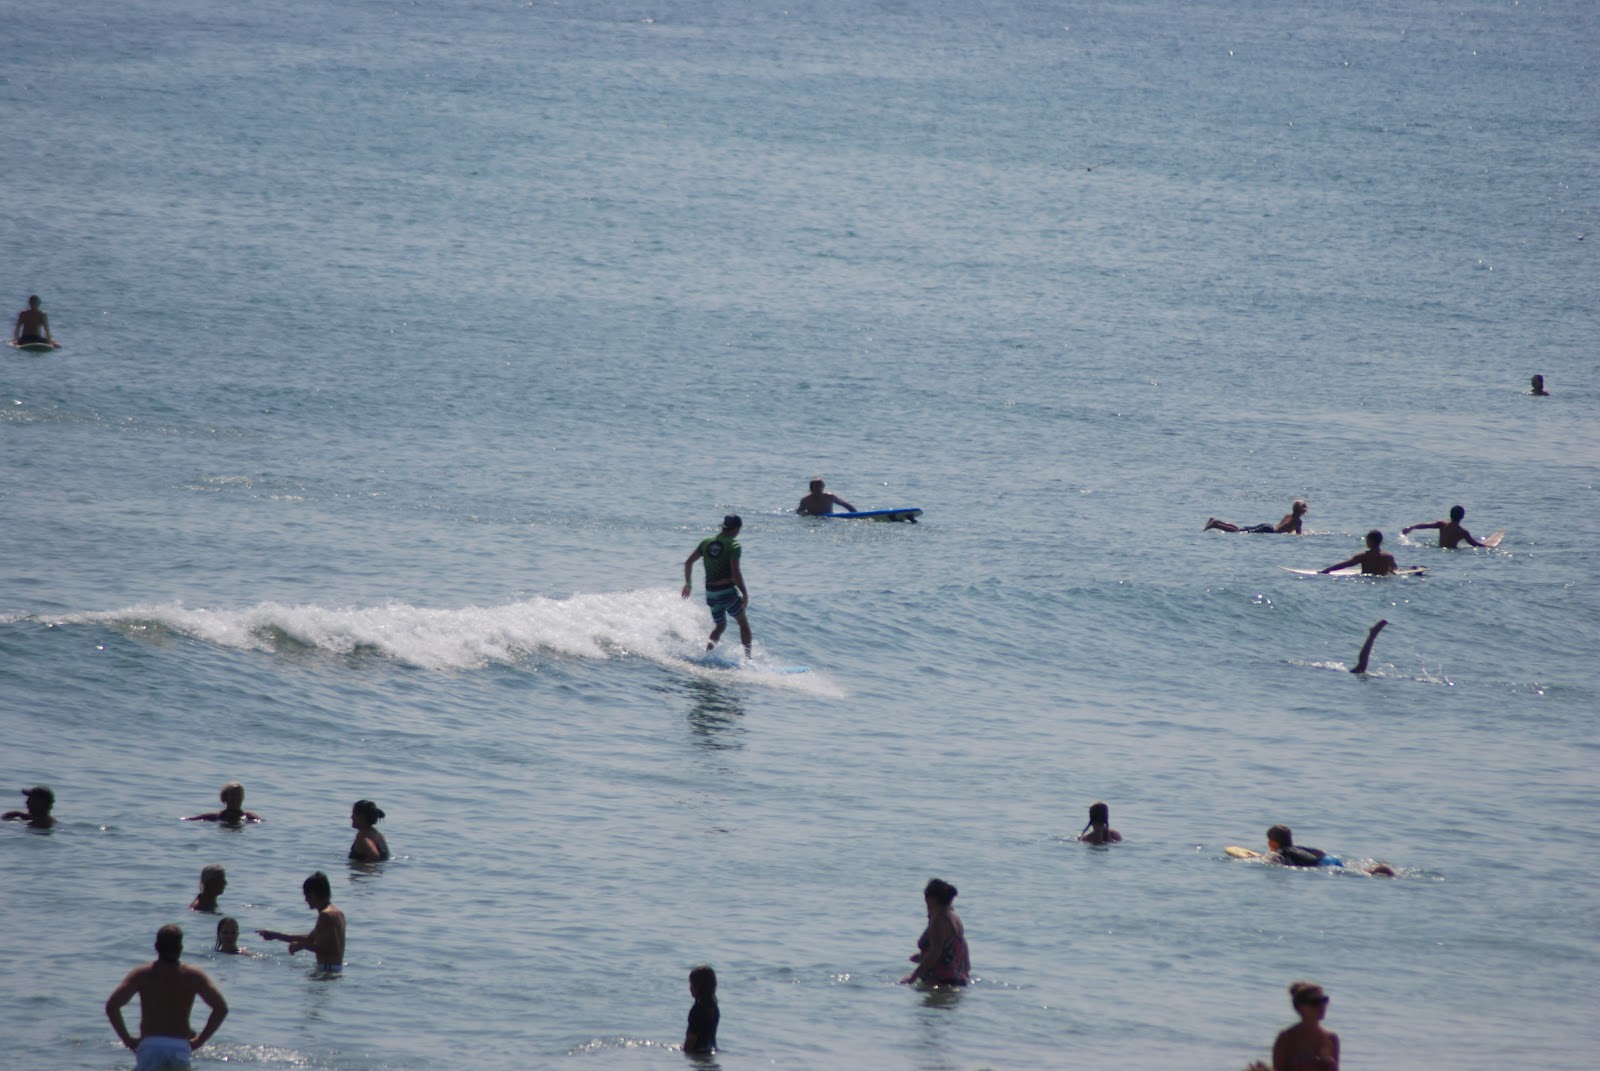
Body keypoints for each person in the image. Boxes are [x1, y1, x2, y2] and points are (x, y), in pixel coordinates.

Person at [105, 924, 229, 1069]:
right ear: (181, 947)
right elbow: (221, 1008)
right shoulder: (193, 976)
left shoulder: (142, 974)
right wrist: (199, 1041)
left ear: (156, 946)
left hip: (151, 1045)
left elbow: (112, 1006)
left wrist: (127, 1040)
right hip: (180, 1047)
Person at [682, 514, 752, 657]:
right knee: (743, 624)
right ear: (736, 529)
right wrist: (744, 593)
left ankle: (707, 655)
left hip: (711, 594)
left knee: (720, 626)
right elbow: (736, 572)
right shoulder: (734, 545)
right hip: (727, 592)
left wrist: (688, 584)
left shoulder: (706, 542)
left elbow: (688, 562)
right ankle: (748, 658)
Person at [256, 871, 346, 971]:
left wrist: (303, 946)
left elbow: (332, 950)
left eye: (306, 895)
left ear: (313, 894)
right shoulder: (337, 913)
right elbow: (309, 938)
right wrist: (275, 935)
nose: (305, 900)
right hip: (335, 969)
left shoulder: (325, 915)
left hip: (327, 970)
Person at [900, 877, 970, 986]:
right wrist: (922, 957)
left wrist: (912, 978)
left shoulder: (939, 920)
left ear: (933, 899)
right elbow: (956, 947)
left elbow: (935, 953)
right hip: (956, 979)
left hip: (941, 981)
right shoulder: (953, 916)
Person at [1271, 981, 1340, 1071]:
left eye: (1324, 1000)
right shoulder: (1286, 1038)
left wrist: (1324, 1060)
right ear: (1301, 1007)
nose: (1322, 1006)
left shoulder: (1331, 1038)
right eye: (1315, 1002)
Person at [1401, 505, 1486, 549]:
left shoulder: (1442, 524)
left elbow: (1425, 525)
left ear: (1450, 514)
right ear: (1462, 516)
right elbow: (1475, 544)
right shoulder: (1463, 532)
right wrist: (1488, 546)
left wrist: (1411, 527)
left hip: (1439, 549)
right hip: (1452, 550)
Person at [1205, 500, 1307, 535]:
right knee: (1238, 532)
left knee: (1240, 529)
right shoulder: (1298, 521)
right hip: (1270, 531)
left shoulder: (1288, 515)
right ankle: (1215, 524)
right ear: (1303, 510)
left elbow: (1284, 527)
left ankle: (1217, 522)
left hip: (1268, 526)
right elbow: (1298, 534)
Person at [1320, 530, 1397, 575]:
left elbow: (1345, 564)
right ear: (1381, 541)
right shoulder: (1389, 557)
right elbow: (1394, 569)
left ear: (1369, 541)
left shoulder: (1363, 556)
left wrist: (1327, 570)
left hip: (1366, 580)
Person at [183, 781, 262, 824]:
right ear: (224, 797)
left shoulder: (251, 817)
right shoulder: (213, 817)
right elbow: (188, 820)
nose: (236, 798)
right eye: (233, 795)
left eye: (239, 795)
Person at [683, 964, 719, 1054]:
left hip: (697, 1053)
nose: (689, 988)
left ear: (698, 986)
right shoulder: (714, 1008)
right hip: (711, 1051)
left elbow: (691, 1040)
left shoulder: (697, 1010)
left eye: (691, 984)